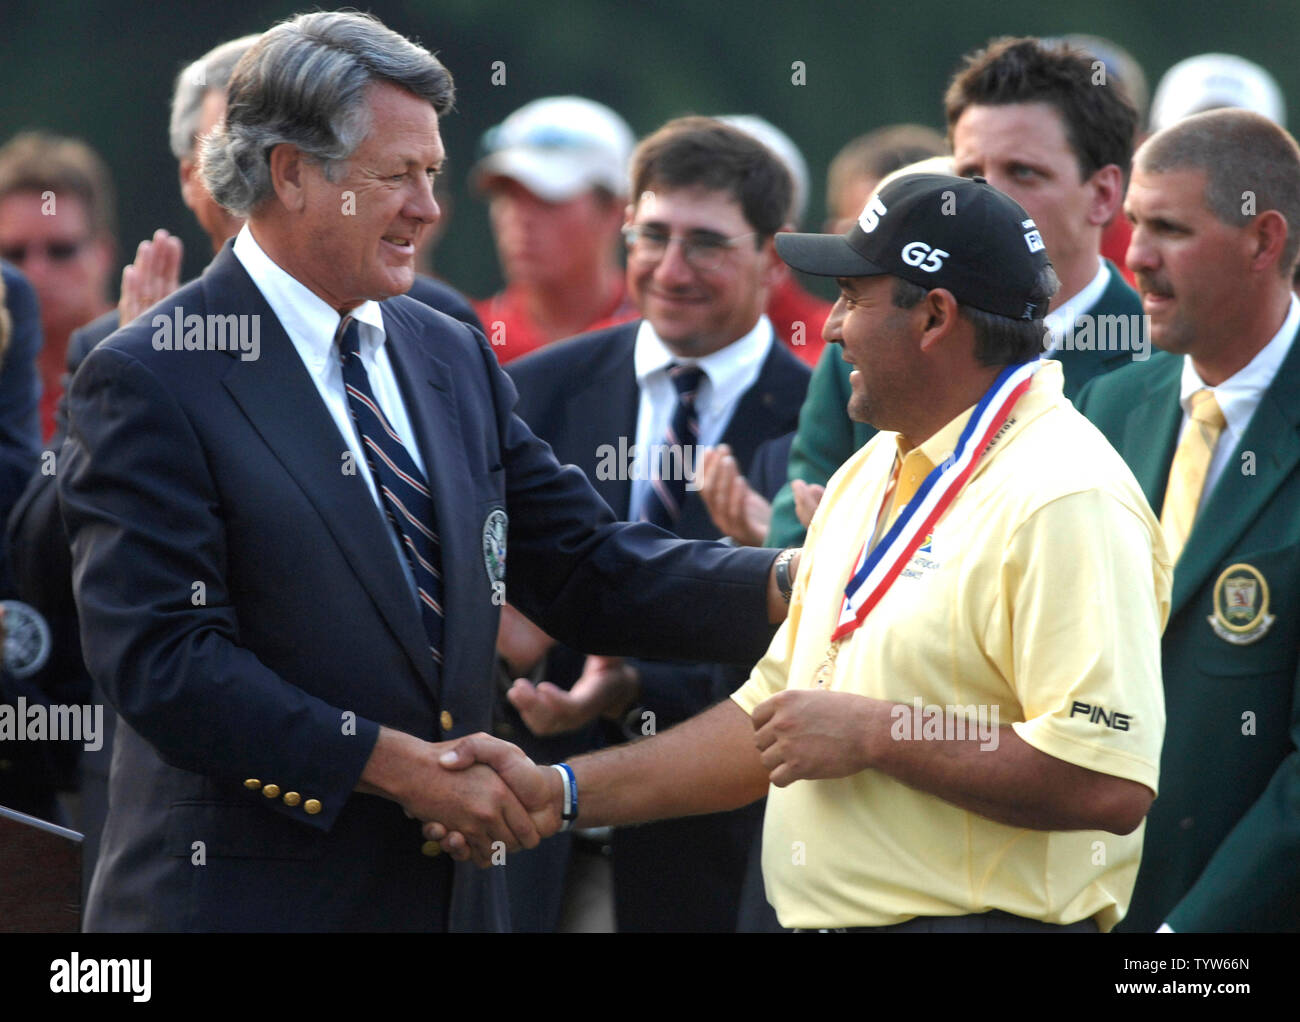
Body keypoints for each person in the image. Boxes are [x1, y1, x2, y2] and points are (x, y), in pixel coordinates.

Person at [57, 10, 790, 933]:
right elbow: (166, 664)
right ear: (290, 172)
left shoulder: (445, 353)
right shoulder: (150, 373)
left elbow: (582, 562)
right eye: (396, 176)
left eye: (432, 174)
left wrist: (793, 579)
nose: (430, 208)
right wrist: (403, 769)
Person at [428, 172, 1171, 933]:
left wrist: (882, 734)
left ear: (936, 317)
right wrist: (561, 793)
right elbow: (772, 718)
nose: (834, 326)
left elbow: (1103, 779)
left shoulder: (1065, 496)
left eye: (853, 297)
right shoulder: (876, 466)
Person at [503, 116, 810, 931]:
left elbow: (827, 653)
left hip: (724, 859)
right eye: (652, 235)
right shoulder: (529, 394)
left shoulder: (827, 420)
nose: (671, 270)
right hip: (529, 844)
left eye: (706, 243)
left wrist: (643, 685)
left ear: (772, 256)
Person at [763, 35, 1144, 551]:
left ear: (1103, 194)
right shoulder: (871, 337)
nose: (984, 196)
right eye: (968, 173)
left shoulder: (1160, 365)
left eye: (1023, 172)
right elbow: (796, 543)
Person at [1077, 109, 1300, 932]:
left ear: (1262, 239)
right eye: (1134, 222)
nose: (1134, 256)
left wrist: (1186, 943)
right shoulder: (1111, 405)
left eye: (1170, 228)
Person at [471, 95, 636, 363]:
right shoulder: (469, 341)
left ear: (616, 212)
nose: (519, 219)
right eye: (507, 196)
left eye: (547, 199)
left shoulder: (662, 336)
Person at [0, 133, 116, 441]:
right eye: (13, 254)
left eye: (60, 250)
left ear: (103, 254)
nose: (36, 272)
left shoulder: (154, 363)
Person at [717, 114, 832, 368]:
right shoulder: (623, 347)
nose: (674, 271)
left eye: (712, 241)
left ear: (776, 251)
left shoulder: (837, 353)